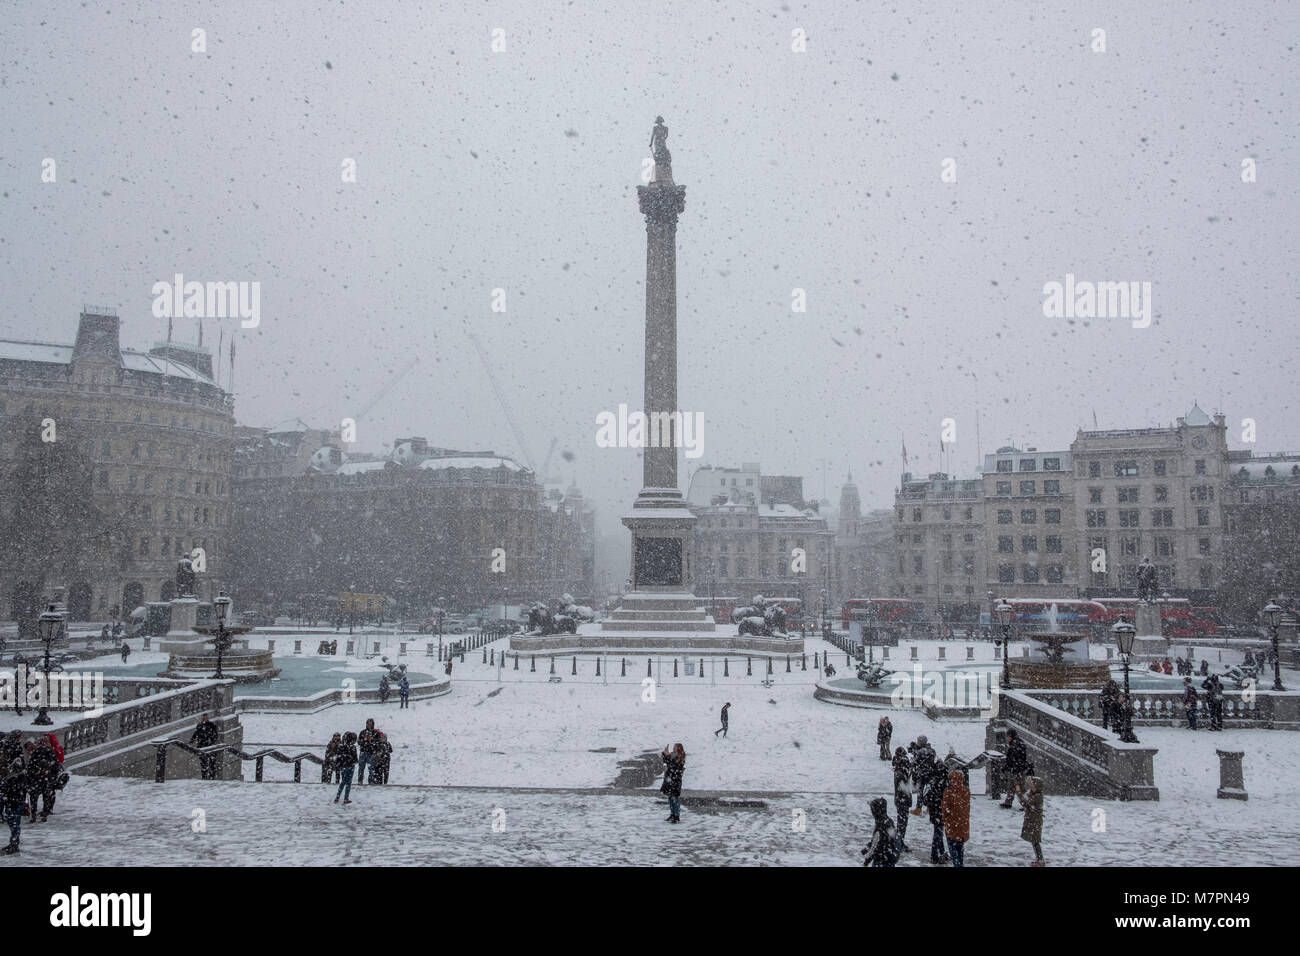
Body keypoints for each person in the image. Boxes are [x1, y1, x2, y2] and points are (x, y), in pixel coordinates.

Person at [940, 768, 971, 867]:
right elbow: (966, 808)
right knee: (960, 849)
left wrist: (945, 819)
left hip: (952, 825)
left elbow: (945, 809)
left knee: (953, 851)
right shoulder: (966, 790)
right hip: (963, 825)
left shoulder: (948, 791)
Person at [922, 758, 949, 864]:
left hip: (934, 810)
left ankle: (941, 852)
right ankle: (934, 855)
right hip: (940, 810)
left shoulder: (933, 780)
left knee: (938, 831)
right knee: (938, 833)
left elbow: (926, 798)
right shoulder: (943, 781)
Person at [26, 736, 59, 822]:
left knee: (34, 797)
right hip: (47, 778)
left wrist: (32, 775)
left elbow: (30, 766)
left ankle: (33, 815)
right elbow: (55, 766)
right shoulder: (50, 751)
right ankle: (45, 813)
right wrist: (52, 776)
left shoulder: (35, 752)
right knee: (46, 797)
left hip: (36, 778)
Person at [860, 797, 900, 867]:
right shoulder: (888, 821)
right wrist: (868, 847)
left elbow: (875, 847)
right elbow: (892, 839)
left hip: (881, 860)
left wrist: (866, 862)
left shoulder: (880, 827)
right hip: (890, 858)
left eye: (872, 810)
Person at [1, 751, 28, 855]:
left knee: (14, 824)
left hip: (14, 803)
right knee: (13, 824)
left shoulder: (17, 778)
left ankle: (14, 844)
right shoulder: (17, 777)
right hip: (14, 802)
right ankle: (13, 843)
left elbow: (10, 789)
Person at [1017, 775, 1046, 865]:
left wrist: (1018, 792)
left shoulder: (1037, 796)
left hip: (1035, 821)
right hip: (1033, 820)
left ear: (1036, 787)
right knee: (1034, 841)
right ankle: (1039, 859)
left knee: (1035, 841)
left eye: (1031, 786)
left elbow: (1025, 804)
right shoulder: (1035, 794)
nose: (1030, 788)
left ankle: (1040, 860)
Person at [1000, 728, 1028, 807]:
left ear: (1011, 736)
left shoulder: (1015, 745)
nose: (1007, 738)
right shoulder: (1017, 743)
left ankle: (1026, 804)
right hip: (1017, 769)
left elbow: (1013, 759)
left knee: (1019, 788)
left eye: (1008, 736)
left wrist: (1007, 767)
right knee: (1012, 786)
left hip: (1016, 770)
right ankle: (1008, 802)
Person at [892, 747, 913, 852]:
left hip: (901, 801)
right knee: (902, 824)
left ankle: (899, 842)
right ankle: (898, 843)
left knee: (902, 823)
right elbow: (905, 788)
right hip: (902, 801)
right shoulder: (900, 773)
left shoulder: (900, 771)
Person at [661, 743, 686, 823]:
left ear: (679, 748)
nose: (674, 748)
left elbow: (674, 766)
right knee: (670, 797)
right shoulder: (672, 755)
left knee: (675, 798)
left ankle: (676, 815)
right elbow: (666, 761)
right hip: (669, 779)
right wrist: (665, 754)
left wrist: (668, 756)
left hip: (675, 780)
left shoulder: (680, 756)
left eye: (675, 747)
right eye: (674, 747)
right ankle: (672, 814)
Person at [190, 714, 219, 779]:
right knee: (203, 763)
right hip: (202, 747)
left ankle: (212, 777)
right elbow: (195, 734)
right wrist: (191, 741)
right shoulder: (199, 725)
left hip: (210, 747)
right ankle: (204, 777)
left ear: (207, 718)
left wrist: (211, 741)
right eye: (202, 718)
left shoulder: (211, 725)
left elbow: (215, 735)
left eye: (205, 718)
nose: (203, 719)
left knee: (212, 763)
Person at [334, 732, 358, 804]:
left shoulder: (341, 746)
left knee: (343, 781)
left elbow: (338, 757)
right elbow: (355, 758)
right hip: (350, 766)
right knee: (348, 783)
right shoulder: (352, 747)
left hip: (343, 767)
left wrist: (339, 765)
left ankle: (337, 797)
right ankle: (346, 798)